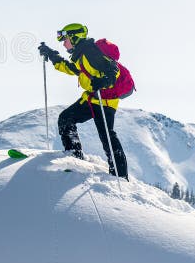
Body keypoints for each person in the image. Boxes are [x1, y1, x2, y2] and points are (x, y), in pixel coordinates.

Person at [38, 23, 129, 180]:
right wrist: (52, 55)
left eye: (65, 39)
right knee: (66, 118)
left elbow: (113, 68)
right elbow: (72, 69)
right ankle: (74, 157)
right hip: (92, 98)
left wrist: (105, 81)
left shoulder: (91, 52)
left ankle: (120, 177)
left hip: (105, 101)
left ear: (74, 37)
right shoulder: (81, 55)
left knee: (107, 136)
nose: (64, 43)